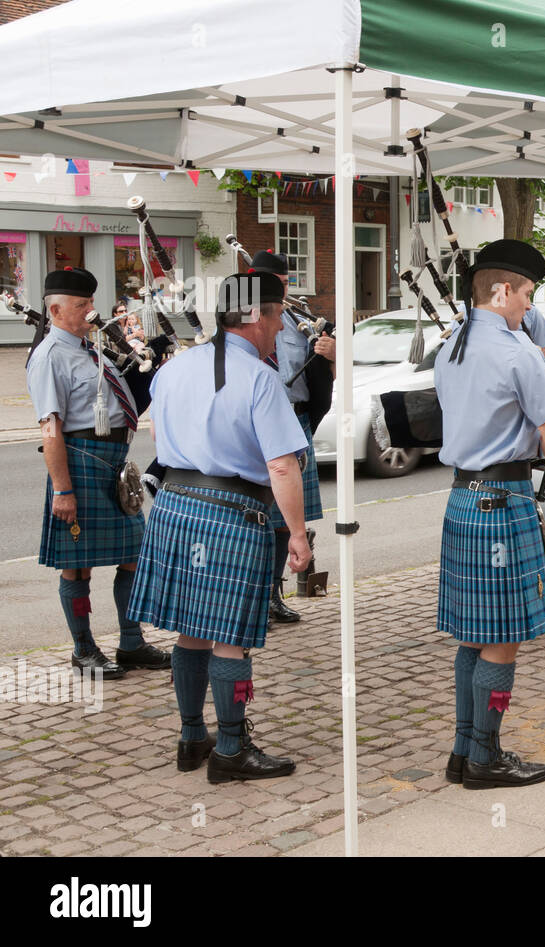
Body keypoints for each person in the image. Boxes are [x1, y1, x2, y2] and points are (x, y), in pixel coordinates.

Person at [128, 271, 310, 781]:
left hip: (174, 506)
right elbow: (281, 465)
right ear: (255, 316)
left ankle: (192, 738)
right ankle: (231, 749)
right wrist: (296, 533)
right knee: (230, 637)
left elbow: (161, 439)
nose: (281, 328)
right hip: (230, 512)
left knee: (191, 632)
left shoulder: (173, 369)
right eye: (277, 316)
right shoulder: (260, 378)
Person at [434, 239, 545, 789]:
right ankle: (487, 758)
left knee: (473, 633)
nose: (529, 308)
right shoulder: (517, 353)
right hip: (503, 500)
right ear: (503, 289)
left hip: (462, 498)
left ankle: (465, 751)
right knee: (502, 636)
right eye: (528, 295)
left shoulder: (450, 348)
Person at [26, 267, 170, 680]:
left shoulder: (92, 351)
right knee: (77, 567)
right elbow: (50, 428)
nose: (91, 311)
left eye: (91, 303)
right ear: (55, 310)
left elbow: (121, 406)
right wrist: (62, 490)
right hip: (80, 466)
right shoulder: (50, 355)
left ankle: (130, 643)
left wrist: (150, 365)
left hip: (111, 466)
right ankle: (83, 650)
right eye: (81, 305)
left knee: (134, 556)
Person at [247, 250, 335, 622]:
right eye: (274, 284)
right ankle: (251, 597)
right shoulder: (241, 319)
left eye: (284, 284)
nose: (281, 291)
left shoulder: (301, 321)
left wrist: (332, 356)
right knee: (257, 516)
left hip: (294, 422)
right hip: (255, 424)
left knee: (285, 519)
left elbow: (321, 377)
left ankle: (272, 595)